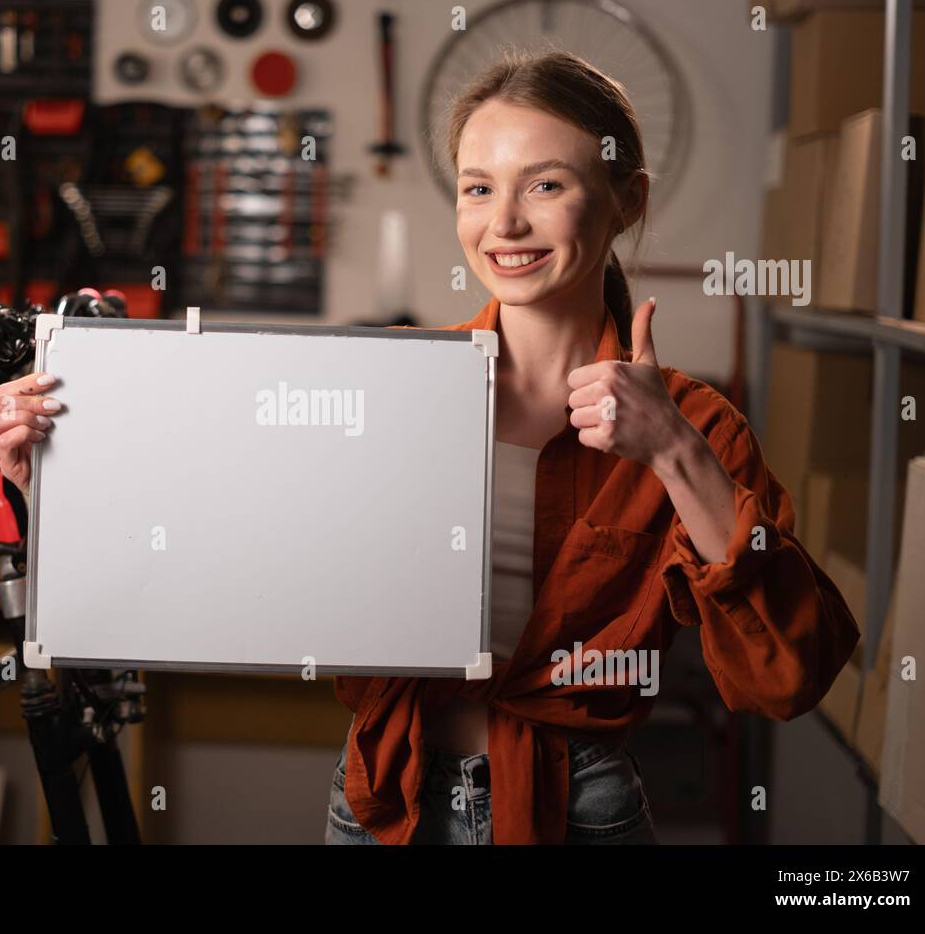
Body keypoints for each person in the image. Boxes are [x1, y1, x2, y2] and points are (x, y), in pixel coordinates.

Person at [325, 49, 860, 845]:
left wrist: (671, 451)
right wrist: (71, 437)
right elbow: (232, 521)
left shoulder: (695, 422)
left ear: (625, 201)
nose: (503, 222)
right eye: (479, 188)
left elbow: (791, 673)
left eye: (545, 184)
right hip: (384, 802)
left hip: (577, 811)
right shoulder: (396, 382)